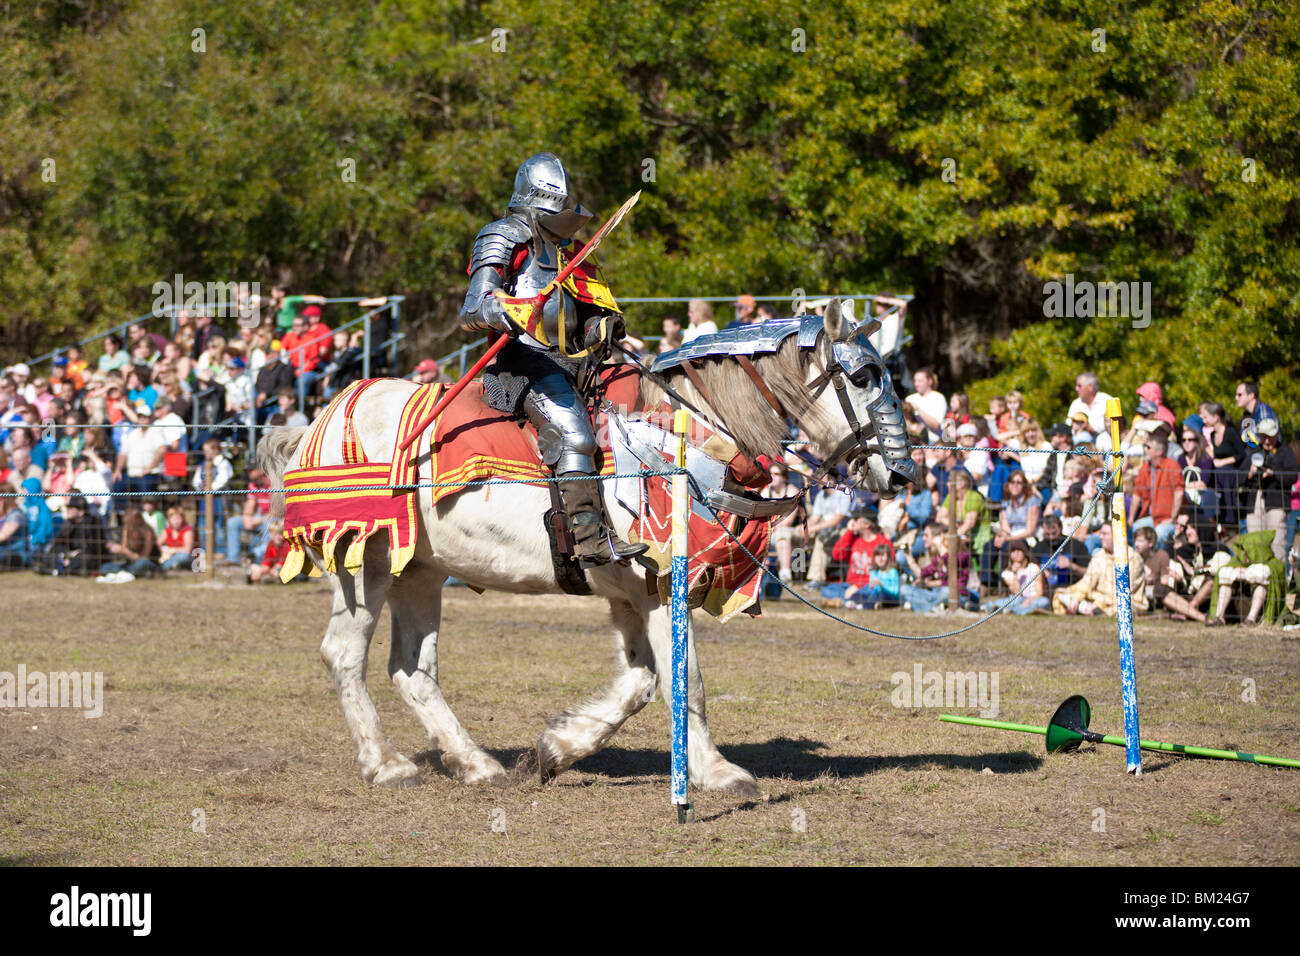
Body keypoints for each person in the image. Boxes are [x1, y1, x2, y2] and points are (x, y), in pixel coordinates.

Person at [457, 152, 646, 566]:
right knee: (575, 434)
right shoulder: (503, 237)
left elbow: (589, 311)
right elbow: (472, 310)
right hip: (520, 361)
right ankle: (589, 540)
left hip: (576, 362)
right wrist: (506, 311)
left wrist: (602, 326)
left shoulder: (570, 252)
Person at [1052, 524, 1146, 616]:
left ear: (1116, 536)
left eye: (1105, 534)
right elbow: (1087, 582)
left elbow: (1124, 591)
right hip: (1097, 599)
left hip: (1122, 601)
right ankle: (1086, 609)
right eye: (1100, 533)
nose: (1100, 537)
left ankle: (1092, 610)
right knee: (1061, 593)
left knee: (1123, 608)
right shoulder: (1099, 555)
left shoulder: (1133, 558)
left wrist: (1097, 603)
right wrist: (1077, 598)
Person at [1239, 417, 1297, 563]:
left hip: (1276, 502)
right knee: (1255, 544)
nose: (1266, 441)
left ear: (1276, 435)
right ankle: (1257, 582)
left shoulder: (1285, 452)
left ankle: (1278, 582)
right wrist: (1250, 472)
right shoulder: (1253, 452)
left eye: (1270, 437)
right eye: (1263, 437)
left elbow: (1293, 475)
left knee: (1277, 543)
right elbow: (1238, 477)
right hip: (1255, 502)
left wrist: (1274, 473)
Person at [1128, 430, 1184, 548]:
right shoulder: (1145, 468)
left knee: (1160, 533)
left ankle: (1159, 562)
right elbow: (1137, 494)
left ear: (1160, 451)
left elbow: (1179, 494)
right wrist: (1131, 519)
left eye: (1148, 447)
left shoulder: (1172, 467)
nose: (1145, 450)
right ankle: (1138, 562)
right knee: (1136, 528)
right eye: (1145, 446)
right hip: (1152, 518)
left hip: (1168, 519)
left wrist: (1172, 518)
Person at [822, 515, 892, 606]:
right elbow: (836, 555)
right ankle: (854, 601)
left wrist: (859, 586)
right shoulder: (853, 539)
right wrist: (849, 532)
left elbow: (887, 570)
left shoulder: (883, 542)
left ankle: (846, 601)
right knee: (826, 590)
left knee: (875, 591)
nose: (852, 521)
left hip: (869, 585)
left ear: (867, 524)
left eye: (856, 519)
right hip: (850, 585)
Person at [1201, 401, 1246, 533]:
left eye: (1206, 417)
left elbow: (1241, 454)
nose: (1204, 420)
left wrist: (1223, 461)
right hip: (1219, 473)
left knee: (1225, 473)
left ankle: (1230, 518)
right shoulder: (1212, 435)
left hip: (1231, 471)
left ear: (1216, 417)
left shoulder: (1230, 432)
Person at [36, 494, 106, 576]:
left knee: (85, 559)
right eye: (67, 508)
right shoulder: (68, 523)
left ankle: (57, 570)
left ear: (81, 512)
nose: (68, 510)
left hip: (83, 556)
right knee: (46, 555)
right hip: (67, 555)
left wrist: (75, 555)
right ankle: (61, 569)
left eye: (71, 508)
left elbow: (93, 547)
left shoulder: (91, 523)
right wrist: (66, 554)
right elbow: (58, 543)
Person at [802, 485, 852, 589]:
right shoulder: (821, 495)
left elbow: (838, 519)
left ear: (831, 480)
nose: (817, 483)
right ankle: (816, 579)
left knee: (822, 538)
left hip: (845, 529)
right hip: (825, 529)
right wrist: (803, 528)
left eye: (821, 477)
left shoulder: (844, 492)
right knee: (820, 538)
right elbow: (815, 518)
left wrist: (814, 528)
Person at [761, 464, 804, 584]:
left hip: (794, 531)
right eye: (770, 474)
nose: (772, 477)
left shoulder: (792, 491)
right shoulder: (766, 491)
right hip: (772, 531)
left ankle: (785, 574)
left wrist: (769, 525)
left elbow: (787, 521)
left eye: (776, 474)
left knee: (782, 534)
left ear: (784, 477)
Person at [981, 540, 1049, 615]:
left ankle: (1011, 610)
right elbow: (1017, 593)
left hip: (1034, 599)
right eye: (1013, 551)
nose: (1016, 554)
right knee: (1015, 601)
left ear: (1024, 552)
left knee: (1044, 601)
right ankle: (1022, 610)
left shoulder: (1034, 567)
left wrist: (1029, 600)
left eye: (1019, 550)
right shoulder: (1007, 573)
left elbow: (1039, 592)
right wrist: (1015, 574)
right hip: (1017, 599)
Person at [1032, 513, 1092, 589]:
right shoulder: (1038, 548)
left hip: (1070, 589)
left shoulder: (1076, 545)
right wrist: (1040, 572)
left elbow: (1088, 573)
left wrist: (1071, 566)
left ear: (1061, 528)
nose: (1051, 537)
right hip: (1046, 590)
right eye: (1047, 534)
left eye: (1054, 533)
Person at [100, 506, 160, 581]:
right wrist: (118, 550)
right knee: (105, 567)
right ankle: (128, 572)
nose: (126, 526)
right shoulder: (127, 530)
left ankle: (128, 572)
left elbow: (144, 558)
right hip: (130, 564)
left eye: (128, 523)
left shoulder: (147, 532)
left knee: (141, 564)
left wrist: (125, 551)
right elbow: (124, 550)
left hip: (147, 562)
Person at [902, 367, 946, 466]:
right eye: (915, 381)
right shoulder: (910, 398)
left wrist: (918, 410)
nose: (916, 384)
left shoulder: (938, 398)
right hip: (914, 446)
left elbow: (936, 425)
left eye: (920, 381)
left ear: (929, 381)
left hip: (933, 445)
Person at [158, 505, 196, 573]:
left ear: (182, 518)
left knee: (185, 556)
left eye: (178, 518)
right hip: (169, 557)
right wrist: (164, 551)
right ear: (169, 520)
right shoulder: (167, 530)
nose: (176, 521)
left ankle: (166, 567)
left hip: (185, 557)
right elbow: (158, 543)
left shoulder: (187, 530)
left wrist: (173, 550)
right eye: (173, 519)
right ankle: (170, 566)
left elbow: (187, 550)